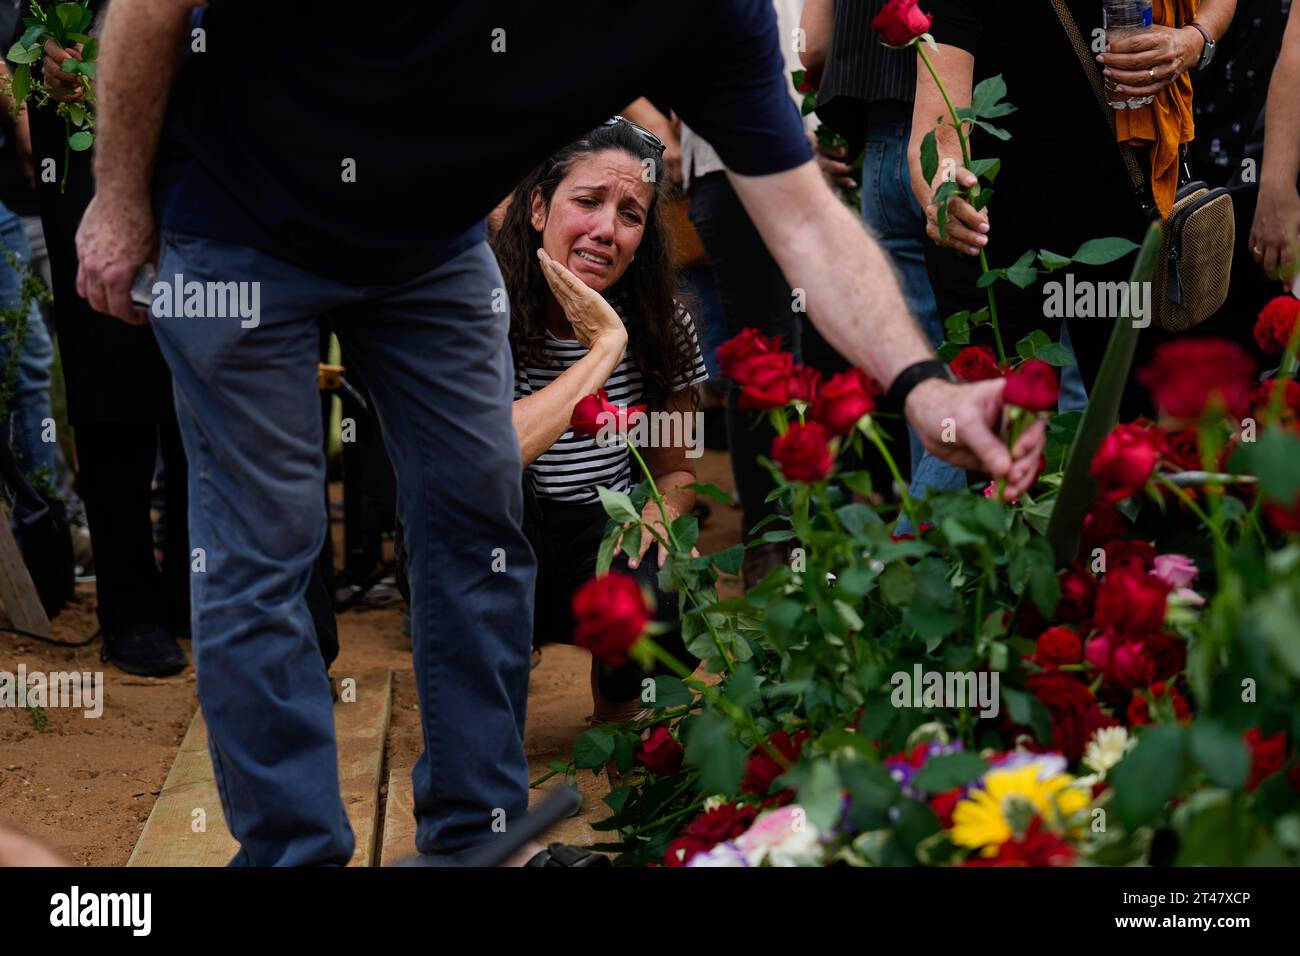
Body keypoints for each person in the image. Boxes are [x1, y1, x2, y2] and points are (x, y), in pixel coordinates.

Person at [76, 0, 1045, 867]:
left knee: (476, 513)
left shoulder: (717, 16)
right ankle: (291, 851)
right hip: (244, 208)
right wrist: (118, 197)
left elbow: (804, 221)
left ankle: (476, 831)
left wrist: (923, 388)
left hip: (425, 236)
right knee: (265, 540)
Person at [914, 0, 1236, 408]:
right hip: (997, 231)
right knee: (1005, 446)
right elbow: (938, 129)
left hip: (1127, 212)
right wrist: (946, 190)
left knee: (1142, 434)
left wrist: (1195, 39)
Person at [496, 119, 706, 724]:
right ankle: (485, 719)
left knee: (664, 591)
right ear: (538, 207)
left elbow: (675, 469)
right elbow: (495, 455)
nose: (605, 230)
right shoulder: (484, 312)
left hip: (599, 528)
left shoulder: (664, 324)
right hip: (498, 530)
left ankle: (615, 716)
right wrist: (603, 349)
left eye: (631, 215)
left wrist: (660, 519)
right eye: (587, 201)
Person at [31, 2, 190, 675]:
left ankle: (198, 589)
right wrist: (50, 67)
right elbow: (30, 46)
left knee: (212, 367)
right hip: (92, 149)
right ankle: (130, 609)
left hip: (209, 135)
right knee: (109, 365)